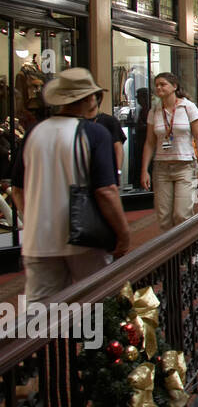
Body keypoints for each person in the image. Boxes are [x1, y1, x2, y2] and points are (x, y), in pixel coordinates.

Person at [12, 68, 131, 301]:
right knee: (101, 305)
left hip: (39, 241)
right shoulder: (94, 133)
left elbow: (17, 189)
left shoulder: (34, 133)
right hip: (86, 237)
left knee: (41, 318)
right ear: (89, 98)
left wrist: (33, 219)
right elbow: (106, 191)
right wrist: (123, 233)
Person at [140, 73, 198, 231]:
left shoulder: (188, 107)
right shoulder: (154, 111)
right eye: (156, 85)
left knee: (182, 214)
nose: (159, 88)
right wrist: (144, 170)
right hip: (161, 167)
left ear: (174, 87)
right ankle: (170, 254)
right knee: (164, 217)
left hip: (184, 166)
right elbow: (149, 142)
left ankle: (188, 252)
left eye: (163, 84)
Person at [93, 91, 126, 182]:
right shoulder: (79, 122)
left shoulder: (110, 121)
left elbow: (118, 147)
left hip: (106, 172)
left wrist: (118, 171)